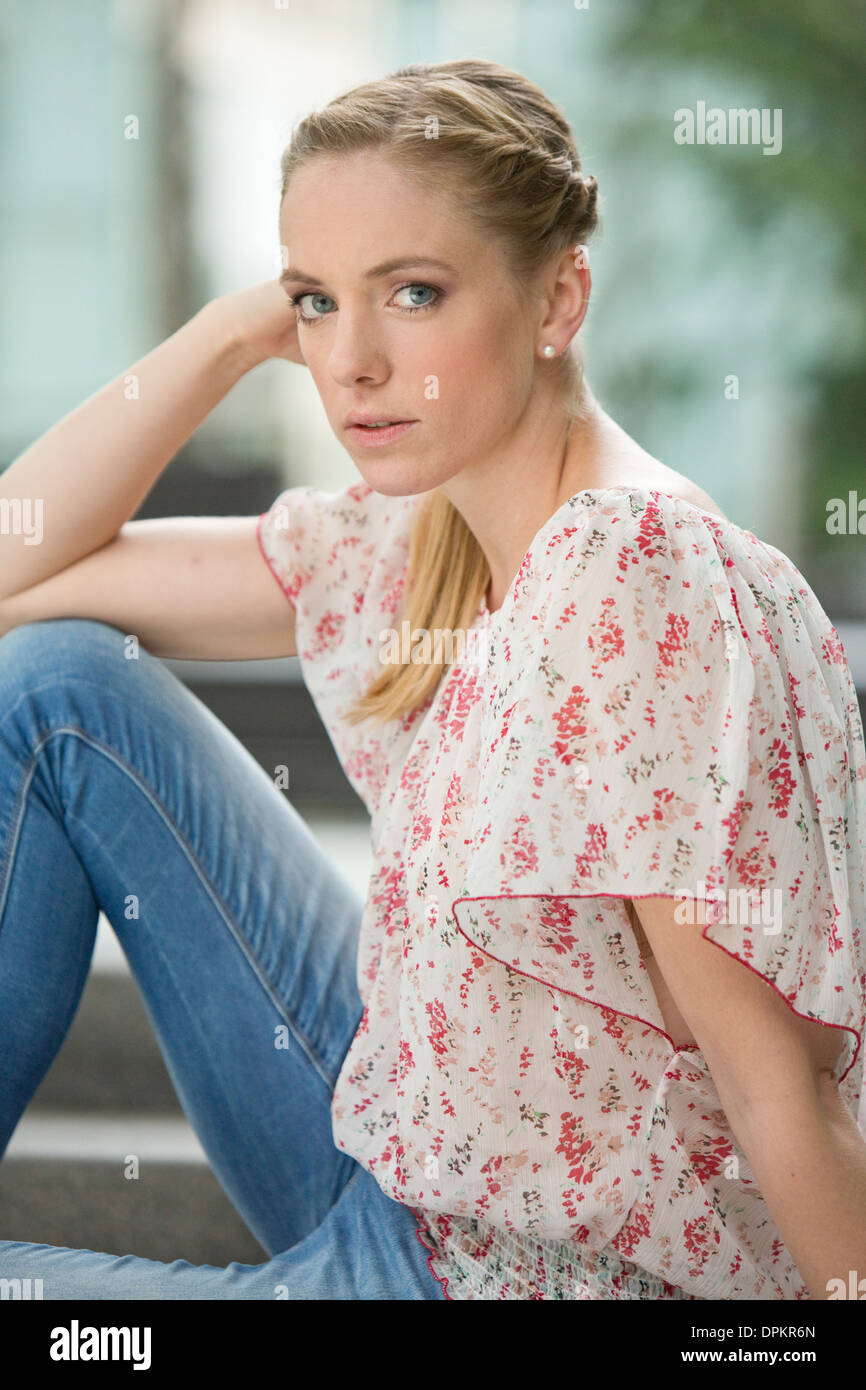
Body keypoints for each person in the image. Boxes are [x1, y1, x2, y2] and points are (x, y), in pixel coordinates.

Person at [0, 57, 864, 1301]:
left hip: (513, 1282)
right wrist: (234, 330)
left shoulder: (632, 571)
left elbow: (773, 1085)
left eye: (413, 292)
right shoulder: (426, 535)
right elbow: (25, 569)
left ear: (558, 297)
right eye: (315, 302)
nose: (349, 362)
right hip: (412, 1159)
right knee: (54, 688)